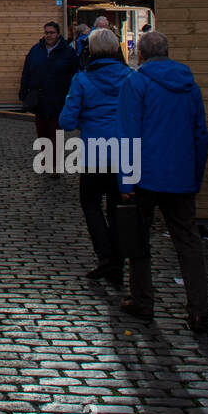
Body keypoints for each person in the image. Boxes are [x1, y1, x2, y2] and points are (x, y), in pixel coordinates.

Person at [116, 31, 208, 333]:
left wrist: (126, 181)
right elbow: (200, 135)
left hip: (146, 175)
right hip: (181, 173)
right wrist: (196, 175)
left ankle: (142, 300)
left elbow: (129, 135)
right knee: (189, 244)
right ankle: (199, 310)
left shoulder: (136, 83)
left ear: (140, 54)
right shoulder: (189, 85)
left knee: (139, 239)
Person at [59, 28, 133, 285]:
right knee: (118, 207)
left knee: (91, 204)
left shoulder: (82, 80)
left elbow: (66, 121)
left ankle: (105, 256)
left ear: (89, 50)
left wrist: (87, 119)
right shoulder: (130, 78)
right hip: (126, 152)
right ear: (116, 49)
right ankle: (119, 262)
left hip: (95, 151)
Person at [19, 21, 78, 177]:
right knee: (42, 132)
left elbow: (75, 74)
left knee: (56, 133)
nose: (48, 35)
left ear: (58, 34)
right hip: (39, 98)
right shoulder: (36, 50)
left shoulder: (68, 53)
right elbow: (26, 72)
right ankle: (46, 156)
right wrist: (23, 92)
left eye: (51, 32)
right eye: (46, 32)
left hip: (58, 98)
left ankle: (55, 165)